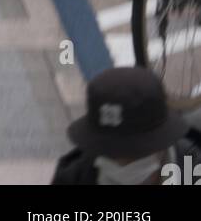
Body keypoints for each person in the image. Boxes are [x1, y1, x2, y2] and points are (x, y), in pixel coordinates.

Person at [51, 65, 201, 185]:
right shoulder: (73, 179)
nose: (122, 164)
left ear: (163, 142)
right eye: (110, 151)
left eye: (135, 152)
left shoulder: (193, 170)